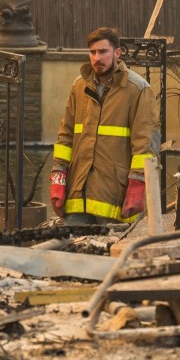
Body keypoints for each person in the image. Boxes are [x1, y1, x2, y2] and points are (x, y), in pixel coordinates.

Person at [49, 27, 159, 224]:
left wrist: (138, 184)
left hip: (115, 197)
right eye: (93, 52)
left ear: (117, 53)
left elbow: (146, 144)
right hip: (78, 194)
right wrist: (59, 176)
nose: (97, 58)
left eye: (103, 52)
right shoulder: (79, 86)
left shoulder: (137, 89)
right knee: (72, 241)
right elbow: (65, 136)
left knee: (114, 244)